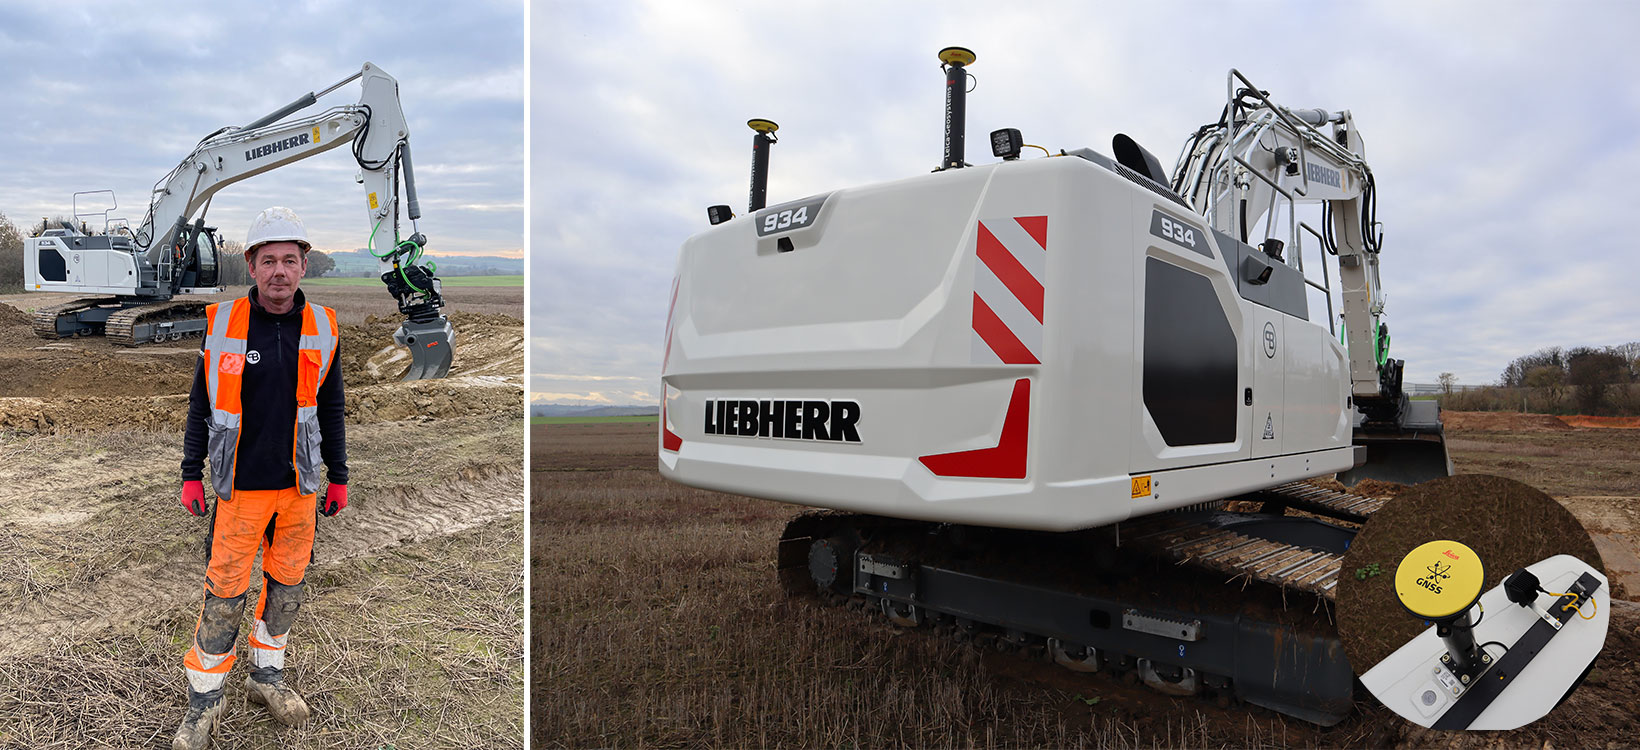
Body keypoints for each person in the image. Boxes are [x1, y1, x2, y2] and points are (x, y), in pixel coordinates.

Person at [173, 206, 349, 749]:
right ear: (250, 265)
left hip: (299, 487)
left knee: (287, 588)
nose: (279, 271)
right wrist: (191, 473)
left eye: (289, 260)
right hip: (241, 488)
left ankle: (265, 677)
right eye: (268, 260)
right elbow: (201, 405)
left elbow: (331, 408)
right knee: (225, 593)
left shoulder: (323, 327)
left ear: (304, 266)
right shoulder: (223, 323)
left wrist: (339, 475)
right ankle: (205, 700)